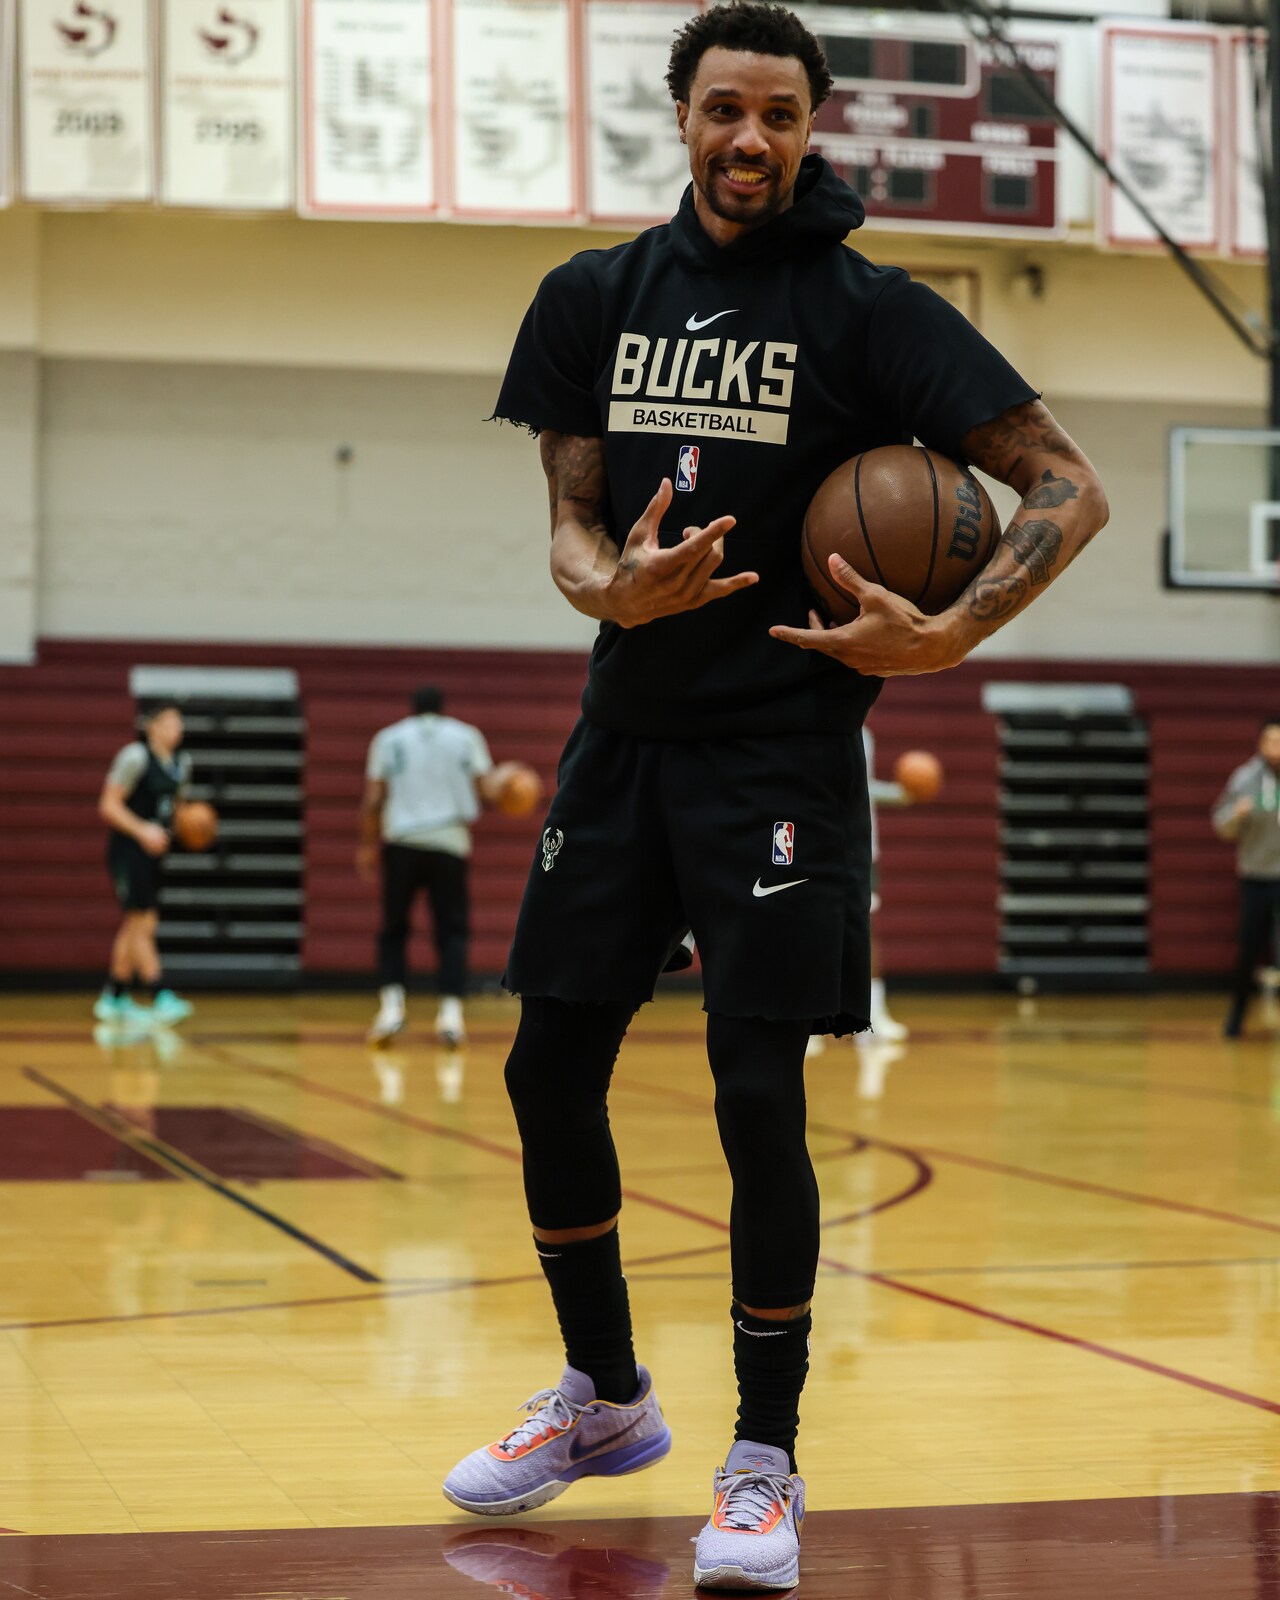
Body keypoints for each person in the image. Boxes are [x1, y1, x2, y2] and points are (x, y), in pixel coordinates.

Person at [442, 4, 1108, 1590]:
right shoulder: (592, 298)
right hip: (624, 737)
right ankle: (603, 1395)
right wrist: (610, 592)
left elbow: (1067, 484)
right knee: (546, 1069)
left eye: (783, 116)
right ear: (681, 114)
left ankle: (762, 1462)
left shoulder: (876, 316)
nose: (753, 139)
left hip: (784, 754)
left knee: (756, 1096)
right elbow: (570, 528)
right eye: (726, 109)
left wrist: (953, 631)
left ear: (814, 129)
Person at [358, 686, 504, 1047]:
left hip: (402, 842)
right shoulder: (466, 736)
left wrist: (366, 845)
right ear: (442, 708)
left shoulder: (388, 738)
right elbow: (488, 791)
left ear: (413, 708)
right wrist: (510, 784)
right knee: (452, 930)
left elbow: (374, 798)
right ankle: (451, 1016)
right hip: (449, 842)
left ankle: (392, 1010)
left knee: (394, 929)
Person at [807, 725, 911, 1057]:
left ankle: (875, 1013)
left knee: (865, 929)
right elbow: (843, 785)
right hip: (815, 845)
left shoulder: (864, 734)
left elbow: (859, 788)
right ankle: (803, 1019)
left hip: (861, 848)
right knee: (807, 929)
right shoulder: (808, 726)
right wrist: (899, 793)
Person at [95, 702, 195, 1028]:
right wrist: (142, 830)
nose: (177, 729)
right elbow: (108, 805)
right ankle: (158, 991)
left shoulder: (182, 763)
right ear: (151, 726)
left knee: (136, 922)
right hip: (128, 850)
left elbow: (177, 810)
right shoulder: (135, 757)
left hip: (156, 852)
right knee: (143, 920)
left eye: (179, 723)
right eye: (169, 723)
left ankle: (115, 995)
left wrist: (195, 826)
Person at [1212, 718, 1280, 1039]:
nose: (1277, 749)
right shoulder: (1245, 779)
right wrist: (1235, 816)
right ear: (1261, 745)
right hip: (1256, 877)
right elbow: (1221, 823)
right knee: (1249, 949)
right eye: (1272, 742)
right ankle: (1237, 1015)